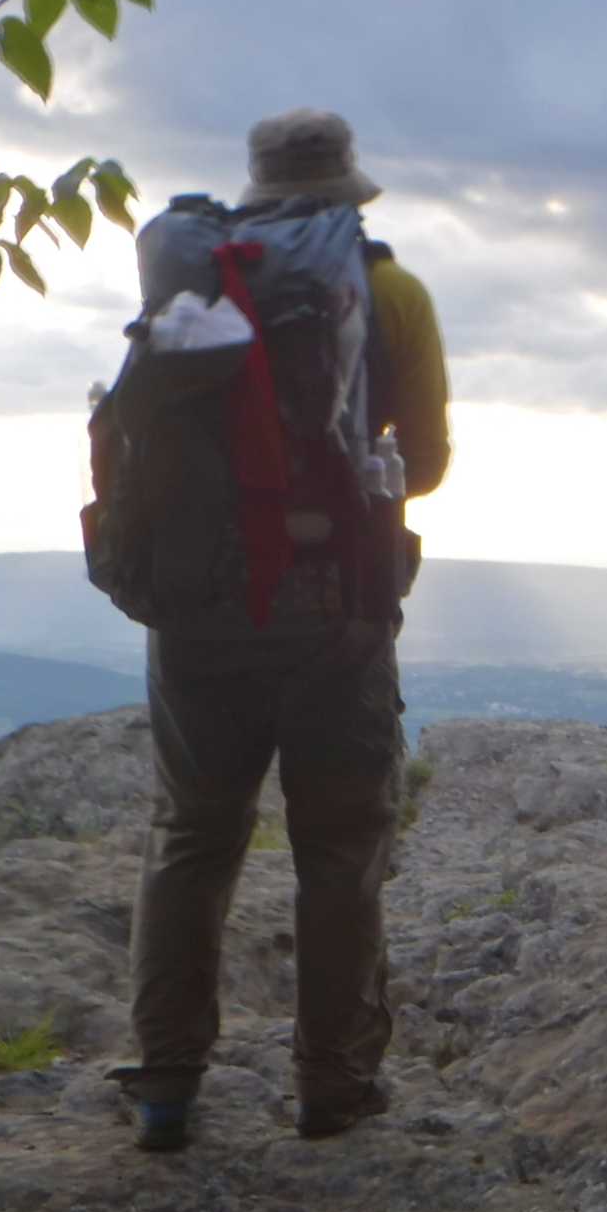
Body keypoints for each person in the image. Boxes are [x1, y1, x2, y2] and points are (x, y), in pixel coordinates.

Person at [114, 108, 451, 1152]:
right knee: (339, 851)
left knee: (191, 842)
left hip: (197, 613)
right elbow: (427, 465)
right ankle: (332, 1086)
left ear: (255, 187)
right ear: (349, 191)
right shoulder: (388, 289)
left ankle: (166, 1086)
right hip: (333, 614)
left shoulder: (191, 278)